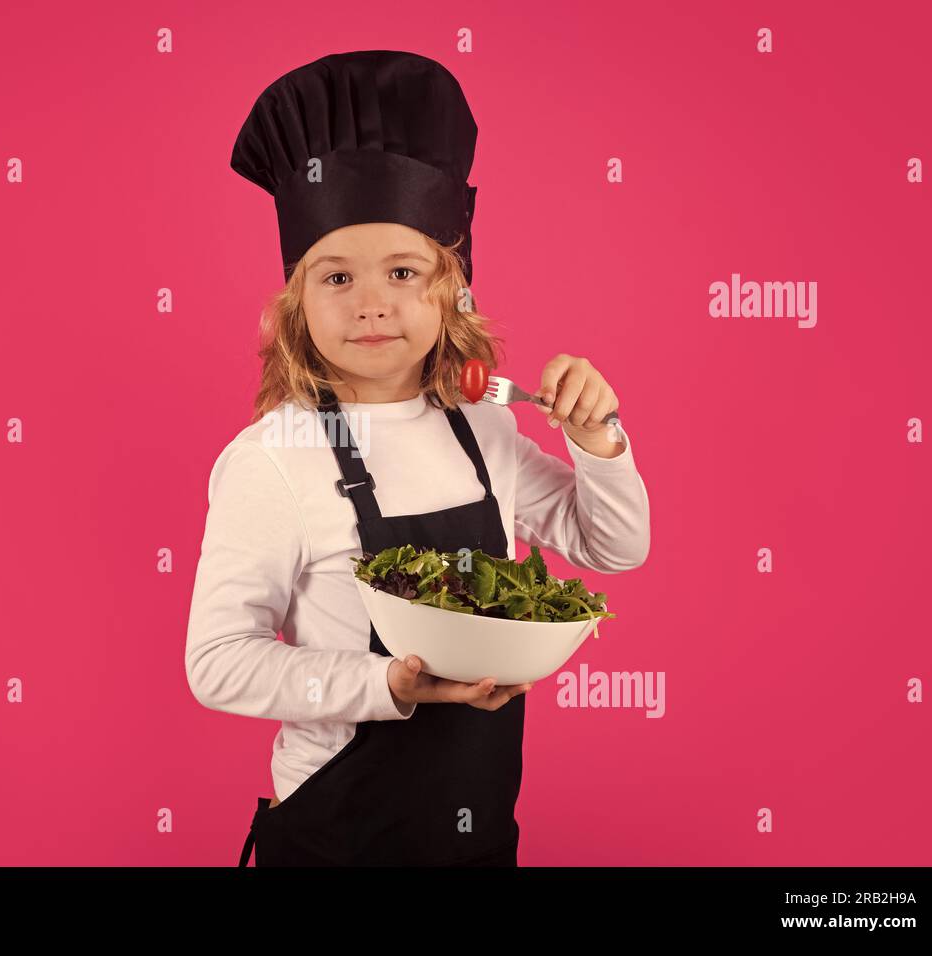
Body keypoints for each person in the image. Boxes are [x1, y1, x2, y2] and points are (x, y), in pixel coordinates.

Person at [185, 50, 651, 866]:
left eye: (404, 271)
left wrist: (596, 436)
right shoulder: (272, 458)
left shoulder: (484, 426)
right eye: (336, 277)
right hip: (337, 833)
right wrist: (387, 686)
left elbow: (612, 546)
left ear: (452, 288)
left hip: (476, 834)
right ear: (297, 302)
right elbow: (218, 663)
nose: (371, 303)